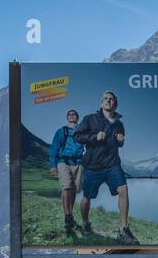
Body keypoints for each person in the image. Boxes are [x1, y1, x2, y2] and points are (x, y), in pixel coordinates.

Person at [73, 90, 138, 244]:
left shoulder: (119, 124)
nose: (109, 101)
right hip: (93, 165)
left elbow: (119, 143)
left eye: (112, 99)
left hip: (112, 164)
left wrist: (121, 140)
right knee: (87, 197)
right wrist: (94, 137)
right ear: (101, 103)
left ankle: (123, 230)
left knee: (123, 190)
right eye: (106, 99)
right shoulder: (90, 119)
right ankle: (85, 223)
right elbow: (77, 136)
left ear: (116, 104)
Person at [48, 109, 84, 237]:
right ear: (67, 117)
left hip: (78, 163)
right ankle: (67, 216)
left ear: (77, 118)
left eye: (74, 114)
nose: (71, 116)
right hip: (63, 162)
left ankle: (70, 214)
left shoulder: (82, 131)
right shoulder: (61, 131)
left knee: (74, 190)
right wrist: (53, 164)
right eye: (69, 114)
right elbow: (54, 148)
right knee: (66, 187)